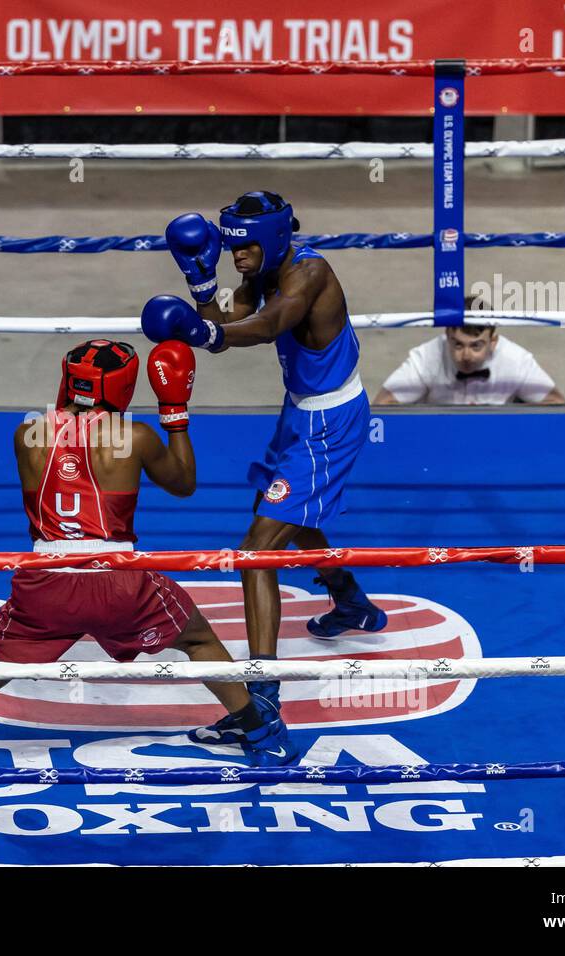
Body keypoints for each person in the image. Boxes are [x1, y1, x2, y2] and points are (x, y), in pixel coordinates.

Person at [0, 339, 295, 812]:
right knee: (199, 641)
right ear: (123, 387)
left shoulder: (26, 434)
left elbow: (68, 447)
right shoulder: (136, 436)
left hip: (46, 580)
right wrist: (175, 411)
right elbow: (184, 484)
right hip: (117, 579)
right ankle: (264, 736)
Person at [142, 190, 386, 747]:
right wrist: (201, 287)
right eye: (229, 250)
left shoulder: (309, 276)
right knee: (289, 516)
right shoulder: (263, 269)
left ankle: (262, 701)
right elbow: (222, 332)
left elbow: (270, 324)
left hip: (330, 422)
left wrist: (208, 330)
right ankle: (349, 599)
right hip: (299, 412)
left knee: (256, 551)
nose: (236, 259)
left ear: (273, 238)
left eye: (244, 248)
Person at [375, 321, 565, 405]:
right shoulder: (427, 356)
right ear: (447, 336)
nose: (466, 356)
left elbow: (556, 403)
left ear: (493, 342)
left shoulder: (515, 359)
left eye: (476, 346)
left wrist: (510, 421)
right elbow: (382, 404)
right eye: (458, 344)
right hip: (438, 440)